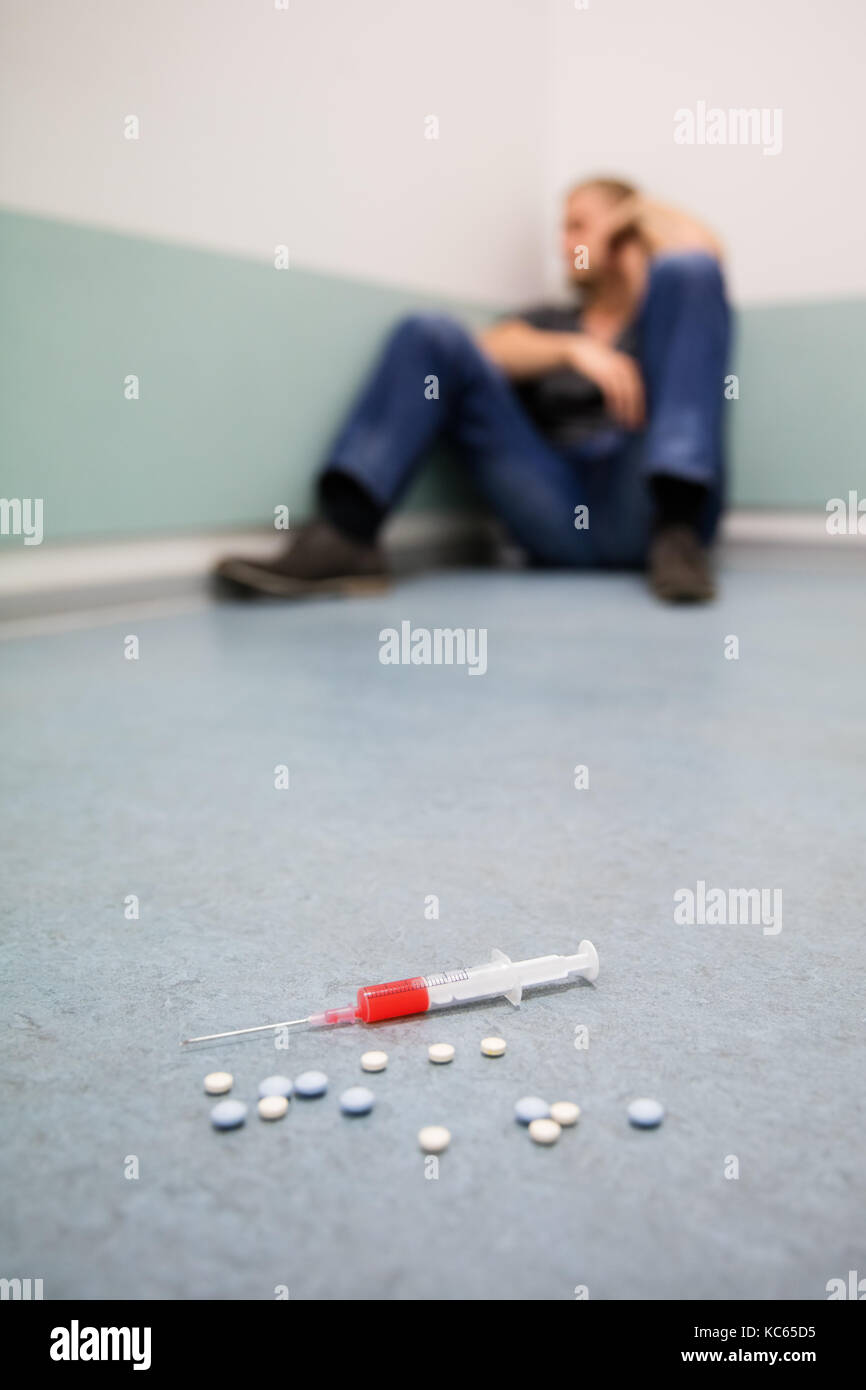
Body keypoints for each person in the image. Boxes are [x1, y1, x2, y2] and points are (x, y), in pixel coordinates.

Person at [216, 178, 731, 603]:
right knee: (430, 332)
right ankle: (346, 535)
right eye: (562, 227)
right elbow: (486, 350)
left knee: (689, 271)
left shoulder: (664, 318)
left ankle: (678, 528)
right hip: (553, 507)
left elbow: (704, 261)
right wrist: (573, 350)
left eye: (579, 225)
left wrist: (635, 219)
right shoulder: (550, 321)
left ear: (624, 233)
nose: (563, 243)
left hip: (641, 501)